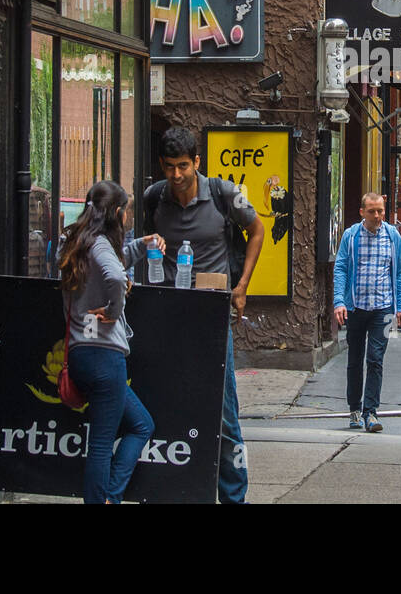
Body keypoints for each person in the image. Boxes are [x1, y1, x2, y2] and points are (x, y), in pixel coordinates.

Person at [143, 126, 266, 505]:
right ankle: (174, 489)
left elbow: (258, 229)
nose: (176, 175)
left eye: (183, 166)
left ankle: (233, 496)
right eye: (169, 167)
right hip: (168, 315)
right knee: (166, 405)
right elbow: (144, 243)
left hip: (212, 318)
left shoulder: (223, 193)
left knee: (225, 413)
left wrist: (242, 285)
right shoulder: (154, 198)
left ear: (197, 162)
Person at [60, 180, 165, 504]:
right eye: (128, 209)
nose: (129, 215)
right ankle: (104, 500)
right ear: (117, 212)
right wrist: (113, 309)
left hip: (82, 354)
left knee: (141, 424)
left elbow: (111, 263)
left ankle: (109, 497)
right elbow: (116, 276)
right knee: (102, 445)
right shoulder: (101, 245)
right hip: (106, 357)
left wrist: (141, 245)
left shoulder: (74, 242)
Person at [333, 193, 401, 433]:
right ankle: (355, 409)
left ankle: (371, 412)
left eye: (381, 211)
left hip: (384, 309)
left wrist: (400, 306)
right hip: (355, 307)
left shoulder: (393, 236)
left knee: (376, 359)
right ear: (362, 212)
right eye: (372, 211)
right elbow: (341, 268)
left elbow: (399, 273)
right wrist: (339, 301)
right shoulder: (351, 235)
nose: (377, 216)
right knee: (355, 359)